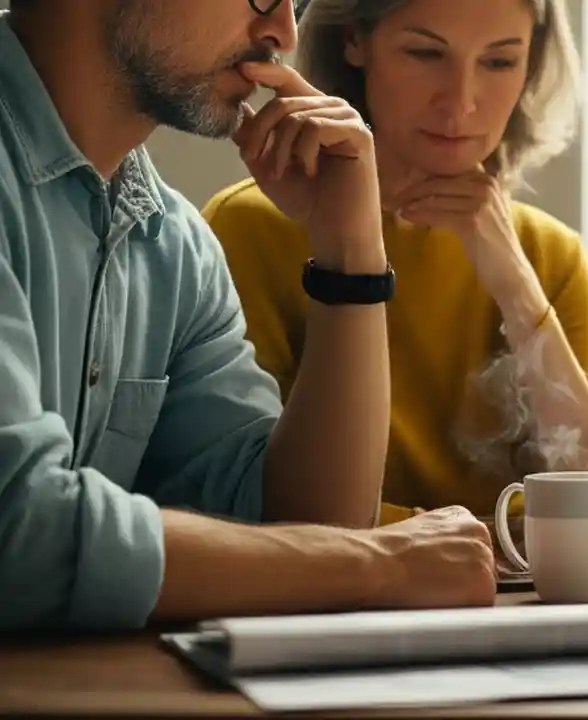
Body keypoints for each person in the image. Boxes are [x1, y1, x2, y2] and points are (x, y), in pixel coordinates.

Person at [0, 0, 500, 632]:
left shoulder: (173, 246)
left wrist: (350, 253)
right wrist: (378, 566)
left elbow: (297, 529)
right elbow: (16, 529)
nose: (283, 34)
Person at [203, 0, 588, 560]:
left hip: (511, 618)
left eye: (499, 63)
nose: (461, 102)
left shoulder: (550, 254)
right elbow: (260, 504)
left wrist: (516, 283)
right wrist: (504, 534)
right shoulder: (250, 227)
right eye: (426, 53)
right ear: (355, 41)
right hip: (335, 607)